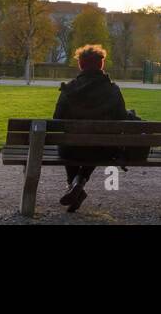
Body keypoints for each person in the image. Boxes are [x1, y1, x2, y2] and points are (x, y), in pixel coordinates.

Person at [53, 44, 130, 212]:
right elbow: (123, 120)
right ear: (101, 65)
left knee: (72, 142)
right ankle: (80, 181)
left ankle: (75, 185)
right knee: (96, 145)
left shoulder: (69, 88)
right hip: (102, 150)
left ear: (81, 65)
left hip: (70, 149)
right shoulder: (113, 89)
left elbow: (57, 119)